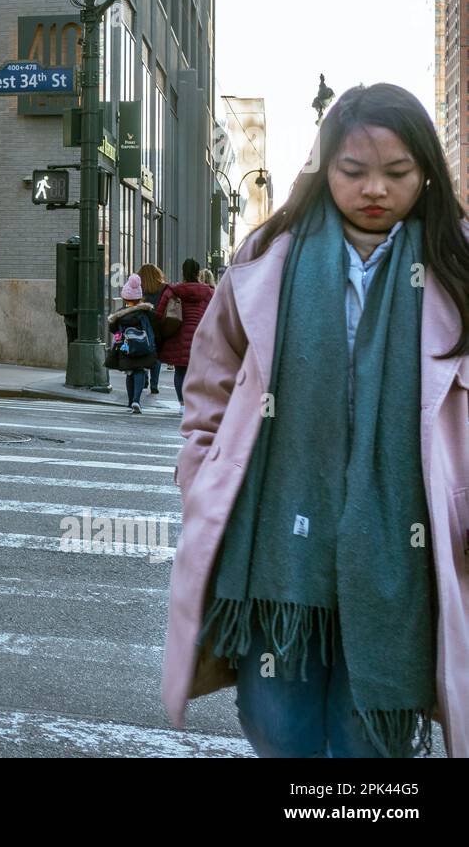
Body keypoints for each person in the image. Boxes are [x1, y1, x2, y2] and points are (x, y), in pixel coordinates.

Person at [162, 83, 469, 759]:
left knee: (367, 740)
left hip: (401, 550)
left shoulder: (457, 269)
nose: (375, 191)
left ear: (426, 171)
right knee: (277, 722)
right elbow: (209, 386)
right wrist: (202, 475)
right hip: (280, 541)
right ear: (323, 167)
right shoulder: (268, 258)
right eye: (353, 171)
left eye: (397, 173)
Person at [153, 258, 214, 406]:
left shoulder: (173, 290)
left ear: (183, 272)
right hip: (201, 337)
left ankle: (182, 403)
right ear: (198, 273)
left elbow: (159, 313)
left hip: (178, 336)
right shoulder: (208, 292)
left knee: (180, 371)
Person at [105, 273, 158, 414]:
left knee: (130, 373)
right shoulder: (146, 312)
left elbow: (112, 328)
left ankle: (130, 402)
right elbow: (156, 324)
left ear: (125, 298)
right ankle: (136, 400)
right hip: (142, 348)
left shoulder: (120, 314)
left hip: (126, 348)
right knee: (139, 371)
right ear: (140, 297)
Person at [137, 263, 168, 394]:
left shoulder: (140, 288)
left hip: (143, 325)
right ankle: (154, 384)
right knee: (157, 355)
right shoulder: (162, 288)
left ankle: (144, 378)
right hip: (158, 324)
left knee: (143, 351)